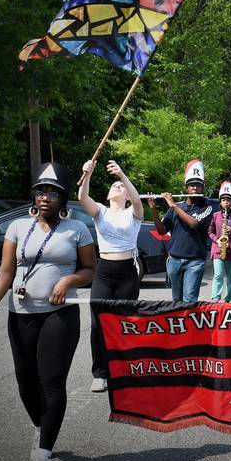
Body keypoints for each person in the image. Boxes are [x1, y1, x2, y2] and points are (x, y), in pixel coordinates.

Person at [0, 162, 96, 461]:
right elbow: (5, 270)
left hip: (60, 315)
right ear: (34, 195)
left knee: (52, 382)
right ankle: (42, 427)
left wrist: (70, 279)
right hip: (21, 313)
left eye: (53, 192)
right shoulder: (17, 227)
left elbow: (90, 270)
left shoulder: (77, 230)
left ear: (62, 199)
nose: (45, 197)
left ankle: (42, 456)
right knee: (25, 382)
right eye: (41, 191)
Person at [76, 159, 144, 393]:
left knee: (124, 324)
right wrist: (87, 175)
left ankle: (124, 371)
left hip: (127, 273)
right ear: (106, 195)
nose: (117, 186)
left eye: (121, 186)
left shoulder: (133, 212)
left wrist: (123, 175)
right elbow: (82, 198)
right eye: (114, 185)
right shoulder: (100, 212)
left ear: (126, 193)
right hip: (104, 272)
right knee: (98, 325)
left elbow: (136, 200)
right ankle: (100, 373)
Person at [149, 160, 213, 301]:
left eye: (198, 185)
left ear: (203, 188)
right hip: (174, 260)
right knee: (176, 300)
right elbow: (161, 231)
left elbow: (193, 224)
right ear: (186, 187)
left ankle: (190, 323)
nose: (195, 188)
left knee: (189, 300)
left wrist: (172, 205)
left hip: (195, 262)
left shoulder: (206, 207)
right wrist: (153, 209)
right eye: (191, 185)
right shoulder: (176, 207)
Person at [208, 181, 231, 302]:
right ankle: (215, 298)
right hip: (218, 249)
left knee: (230, 277)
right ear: (220, 202)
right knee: (218, 275)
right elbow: (210, 232)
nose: (226, 202)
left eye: (228, 200)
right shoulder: (216, 215)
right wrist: (217, 240)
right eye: (223, 200)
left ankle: (228, 298)